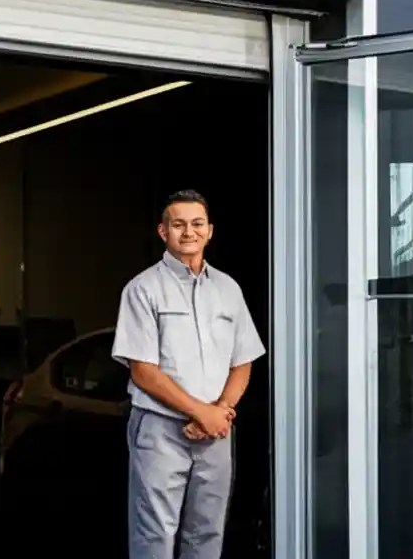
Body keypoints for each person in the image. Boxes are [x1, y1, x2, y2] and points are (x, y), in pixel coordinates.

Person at [111, 189, 266, 559]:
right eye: (178, 224)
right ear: (163, 231)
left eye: (197, 224)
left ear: (209, 231)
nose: (189, 231)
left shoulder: (228, 289)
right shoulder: (143, 289)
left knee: (208, 533)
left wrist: (220, 411)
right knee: (155, 534)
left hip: (217, 431)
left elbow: (243, 360)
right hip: (160, 429)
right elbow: (143, 371)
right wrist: (201, 412)